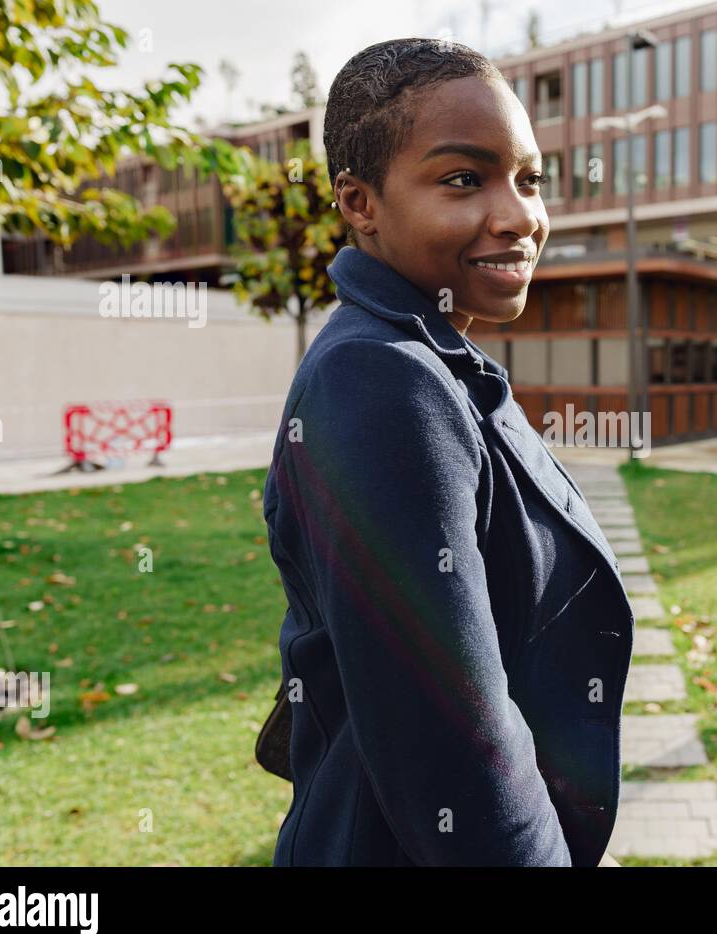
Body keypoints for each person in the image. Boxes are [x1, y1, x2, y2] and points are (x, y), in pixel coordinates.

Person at [262, 38, 632, 866]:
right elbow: (458, 754)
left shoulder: (429, 356)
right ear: (360, 202)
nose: (518, 215)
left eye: (529, 179)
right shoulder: (380, 380)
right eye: (464, 179)